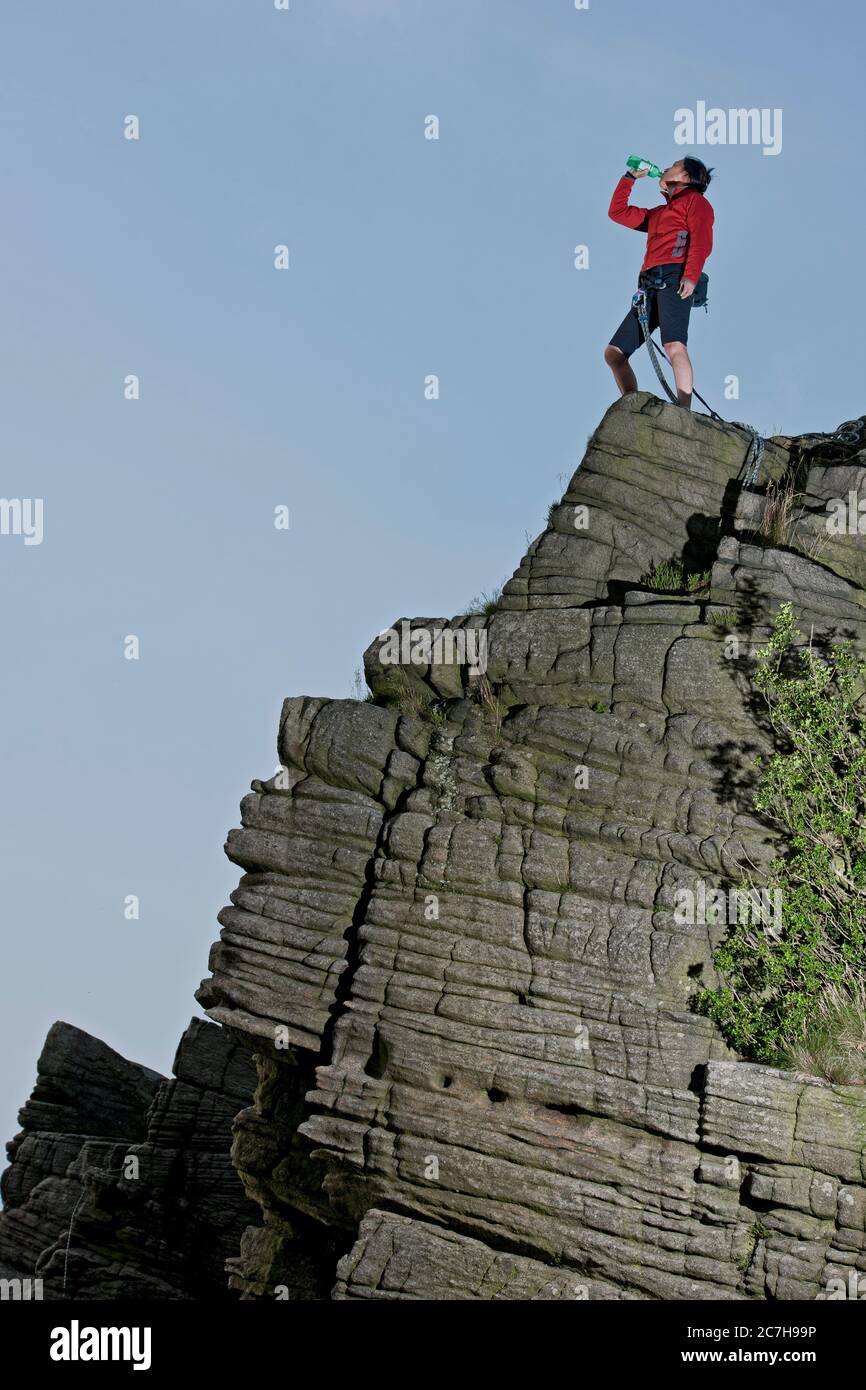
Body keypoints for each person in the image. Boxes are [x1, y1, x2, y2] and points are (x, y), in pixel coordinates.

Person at [604, 157, 714, 409]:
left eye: (675, 165)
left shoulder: (697, 203)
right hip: (648, 285)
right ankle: (631, 407)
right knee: (614, 353)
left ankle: (683, 412)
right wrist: (629, 178)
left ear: (686, 177)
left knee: (674, 344)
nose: (666, 167)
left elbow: (702, 242)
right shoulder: (659, 213)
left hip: (675, 278)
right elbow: (617, 212)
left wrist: (691, 276)